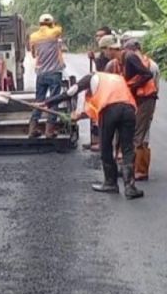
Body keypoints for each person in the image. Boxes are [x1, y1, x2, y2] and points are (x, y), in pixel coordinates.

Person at [42, 72, 144, 199]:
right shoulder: (117, 78)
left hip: (110, 110)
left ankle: (110, 183)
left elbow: (70, 93)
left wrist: (47, 102)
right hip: (129, 110)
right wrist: (80, 115)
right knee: (127, 148)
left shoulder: (91, 77)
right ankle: (130, 187)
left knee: (105, 146)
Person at [123, 39, 158, 182]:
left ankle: (140, 170)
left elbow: (151, 84)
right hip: (146, 100)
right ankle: (139, 168)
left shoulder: (143, 64)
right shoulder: (149, 63)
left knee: (139, 135)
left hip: (144, 100)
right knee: (143, 133)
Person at [28, 13, 65, 139]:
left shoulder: (33, 36)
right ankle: (49, 131)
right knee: (53, 101)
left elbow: (33, 54)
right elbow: (59, 29)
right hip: (54, 72)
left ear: (39, 24)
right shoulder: (54, 33)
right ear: (51, 23)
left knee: (39, 101)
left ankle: (32, 128)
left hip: (41, 73)